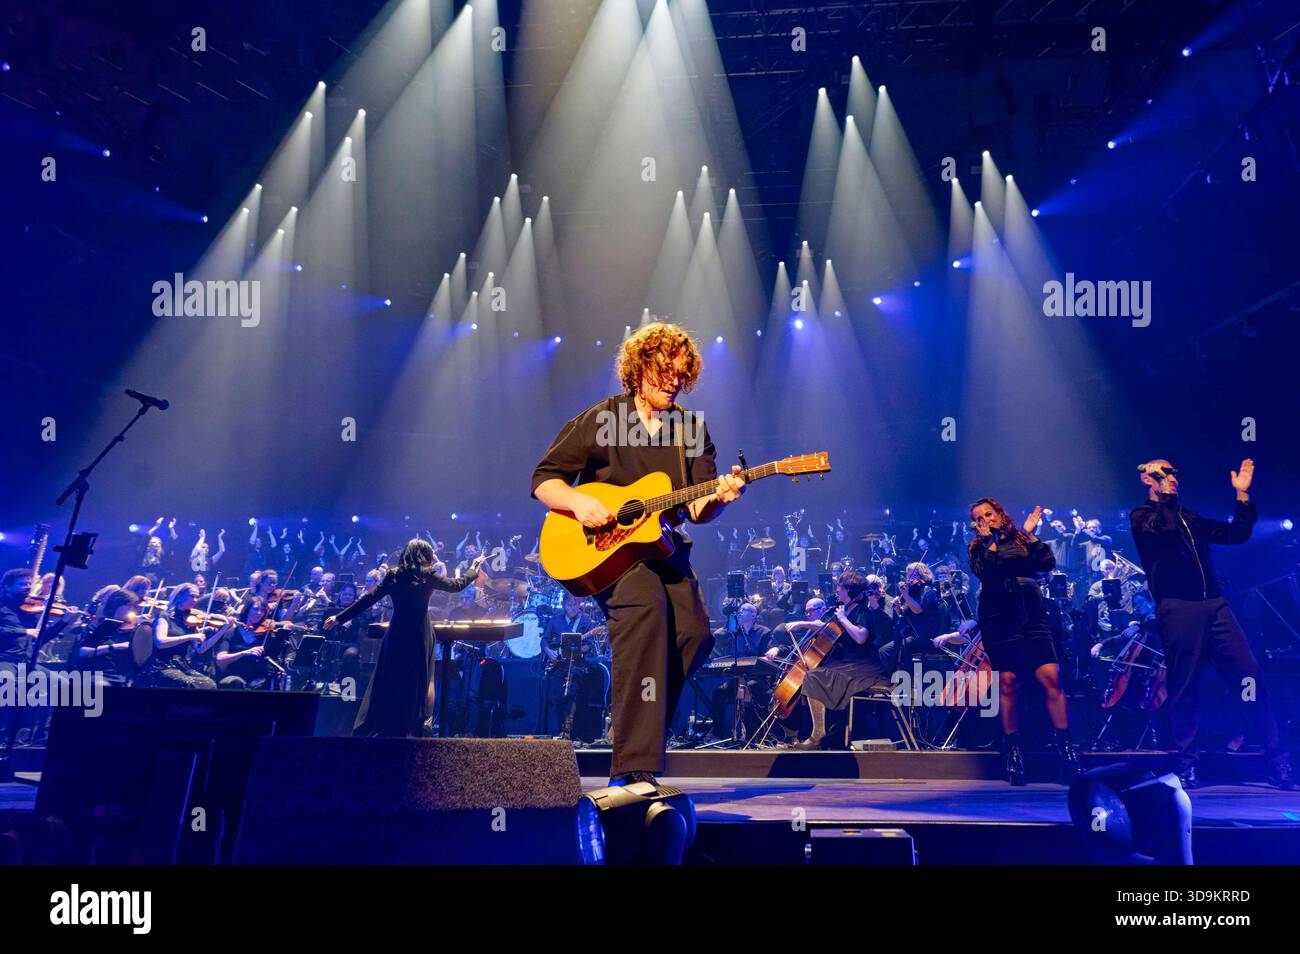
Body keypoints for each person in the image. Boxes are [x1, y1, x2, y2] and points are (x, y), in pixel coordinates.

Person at [531, 322, 746, 786]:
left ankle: (633, 729)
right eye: (665, 371)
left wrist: (722, 497)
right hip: (607, 555)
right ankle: (632, 770)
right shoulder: (600, 419)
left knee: (695, 636)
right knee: (647, 609)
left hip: (666, 550)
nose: (674, 380)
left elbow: (695, 507)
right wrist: (580, 502)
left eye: (681, 374)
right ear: (639, 368)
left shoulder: (690, 429)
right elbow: (544, 480)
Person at [1130, 458, 1291, 789]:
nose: (1172, 477)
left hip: (1215, 607)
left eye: (1174, 472)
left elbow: (1236, 533)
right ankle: (1188, 763)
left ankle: (1278, 761)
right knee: (1184, 684)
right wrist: (1164, 498)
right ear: (1147, 478)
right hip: (1178, 608)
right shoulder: (1143, 518)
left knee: (1249, 676)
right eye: (1163, 473)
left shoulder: (1190, 518)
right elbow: (1166, 532)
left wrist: (1242, 497)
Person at [967, 498, 1079, 784]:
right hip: (999, 618)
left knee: (1051, 679)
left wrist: (1030, 534)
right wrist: (988, 541)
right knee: (1008, 683)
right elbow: (985, 572)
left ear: (1000, 514)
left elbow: (1047, 563)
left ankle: (1067, 754)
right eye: (979, 518)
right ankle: (1013, 756)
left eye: (988, 514)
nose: (985, 520)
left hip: (1032, 616)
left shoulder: (1021, 538)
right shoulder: (977, 547)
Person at [324, 539, 486, 737]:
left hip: (398, 632)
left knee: (392, 678)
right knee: (418, 678)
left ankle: (387, 725)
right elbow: (456, 585)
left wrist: (340, 617)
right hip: (419, 632)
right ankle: (413, 726)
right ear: (424, 556)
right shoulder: (427, 575)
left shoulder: (394, 574)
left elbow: (368, 599)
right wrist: (473, 568)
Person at [785, 571, 893, 750]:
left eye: (840, 587)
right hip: (848, 662)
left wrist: (843, 619)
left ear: (848, 589)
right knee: (815, 674)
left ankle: (818, 734)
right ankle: (819, 733)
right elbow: (828, 626)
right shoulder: (845, 608)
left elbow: (860, 637)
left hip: (864, 665)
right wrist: (802, 624)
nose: (837, 590)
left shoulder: (862, 610)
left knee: (815, 677)